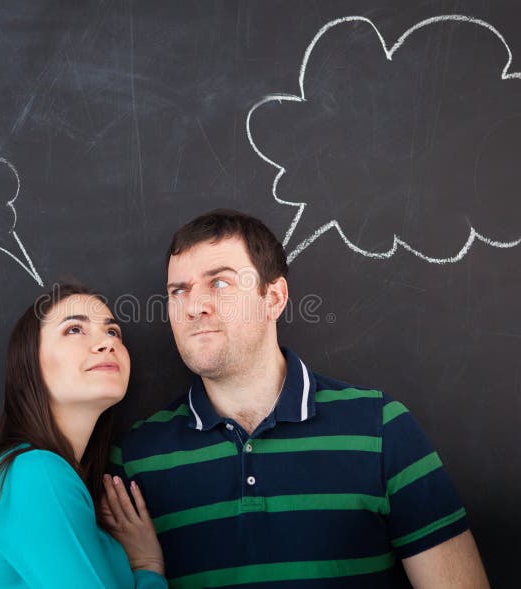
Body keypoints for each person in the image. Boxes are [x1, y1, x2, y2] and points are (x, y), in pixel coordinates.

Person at [111, 210, 490, 588]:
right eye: (179, 291)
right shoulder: (135, 459)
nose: (194, 306)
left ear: (273, 298)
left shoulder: (380, 428)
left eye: (221, 284)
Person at [0, 283, 167, 589]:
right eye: (74, 330)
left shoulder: (45, 476)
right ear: (30, 363)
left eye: (112, 333)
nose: (106, 344)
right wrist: (149, 569)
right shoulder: (33, 473)